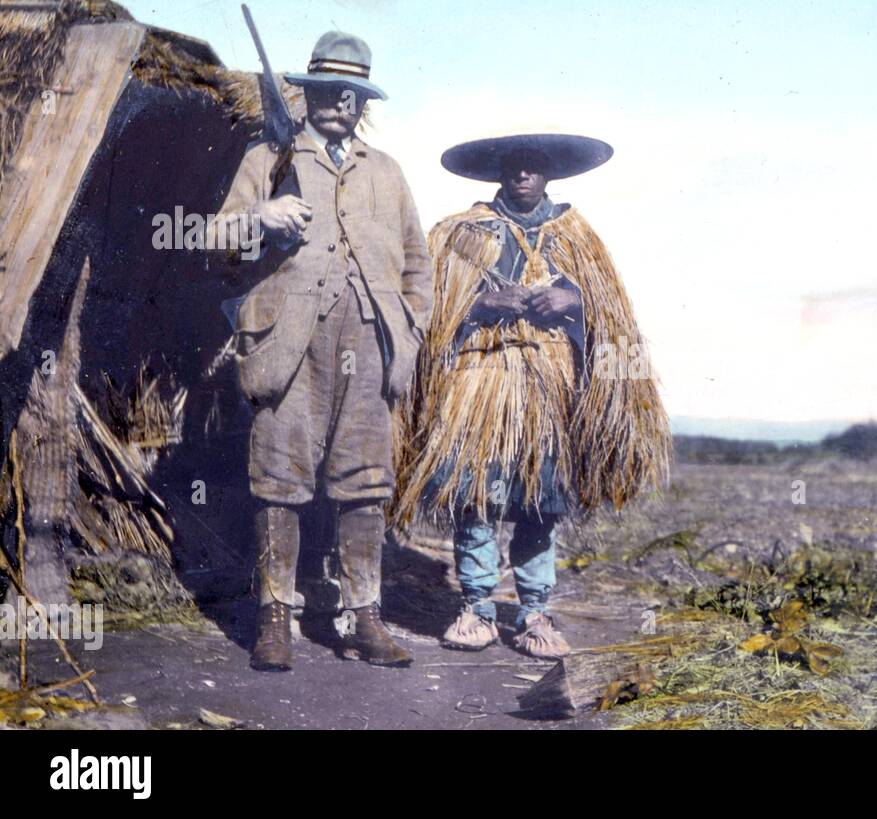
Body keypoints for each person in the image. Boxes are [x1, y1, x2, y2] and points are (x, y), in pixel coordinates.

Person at [392, 134, 671, 659]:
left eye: (534, 167)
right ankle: (475, 606)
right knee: (474, 498)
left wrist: (573, 301)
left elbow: (612, 319)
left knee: (541, 503)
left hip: (550, 383)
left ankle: (534, 612)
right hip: (479, 380)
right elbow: (429, 315)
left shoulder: (576, 237)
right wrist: (482, 305)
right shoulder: (459, 235)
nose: (523, 176)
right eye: (515, 166)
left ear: (549, 175)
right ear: (499, 172)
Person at [209, 31, 432, 671]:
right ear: (305, 95)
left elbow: (418, 263)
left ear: (362, 101)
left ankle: (364, 617)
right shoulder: (268, 157)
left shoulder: (386, 173)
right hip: (289, 344)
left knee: (365, 485)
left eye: (352, 93)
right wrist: (263, 216)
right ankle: (276, 617)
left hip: (369, 341)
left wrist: (409, 330)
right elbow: (211, 237)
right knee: (278, 482)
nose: (340, 101)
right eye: (328, 90)